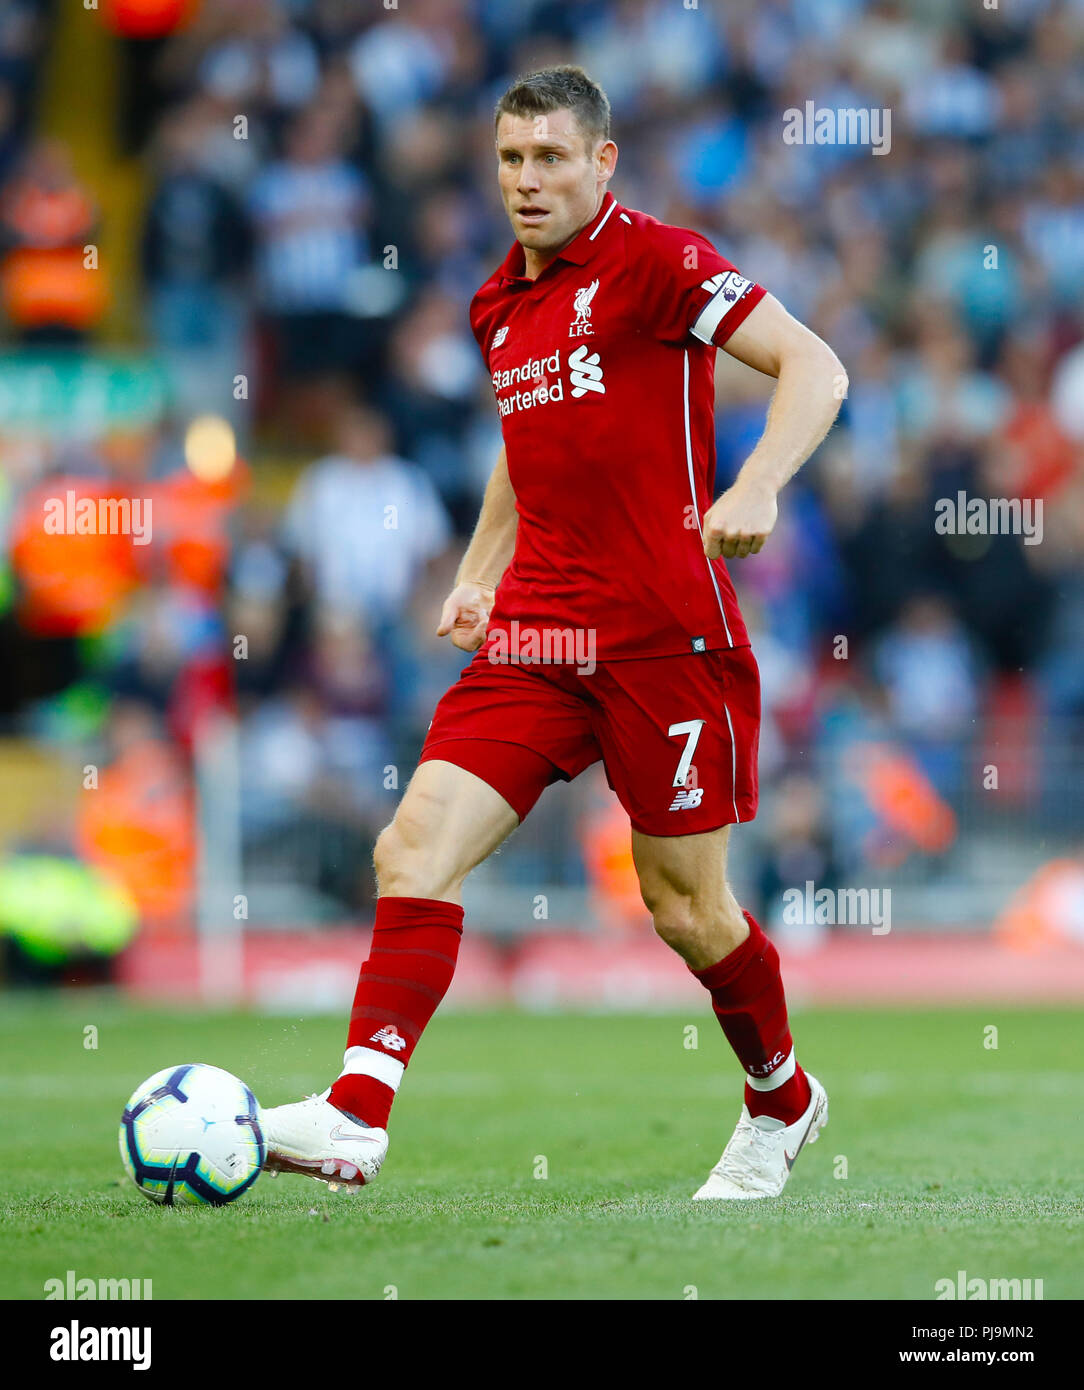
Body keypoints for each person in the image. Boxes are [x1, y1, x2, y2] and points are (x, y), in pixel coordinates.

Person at [263, 65, 846, 1200]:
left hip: (665, 635)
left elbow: (815, 366)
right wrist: (480, 574)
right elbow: (522, 449)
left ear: (601, 162)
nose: (526, 181)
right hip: (539, 635)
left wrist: (759, 484)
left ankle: (781, 1097)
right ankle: (355, 1116)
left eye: (549, 159)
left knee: (685, 907)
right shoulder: (497, 304)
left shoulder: (660, 262)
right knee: (411, 846)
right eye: (510, 159)